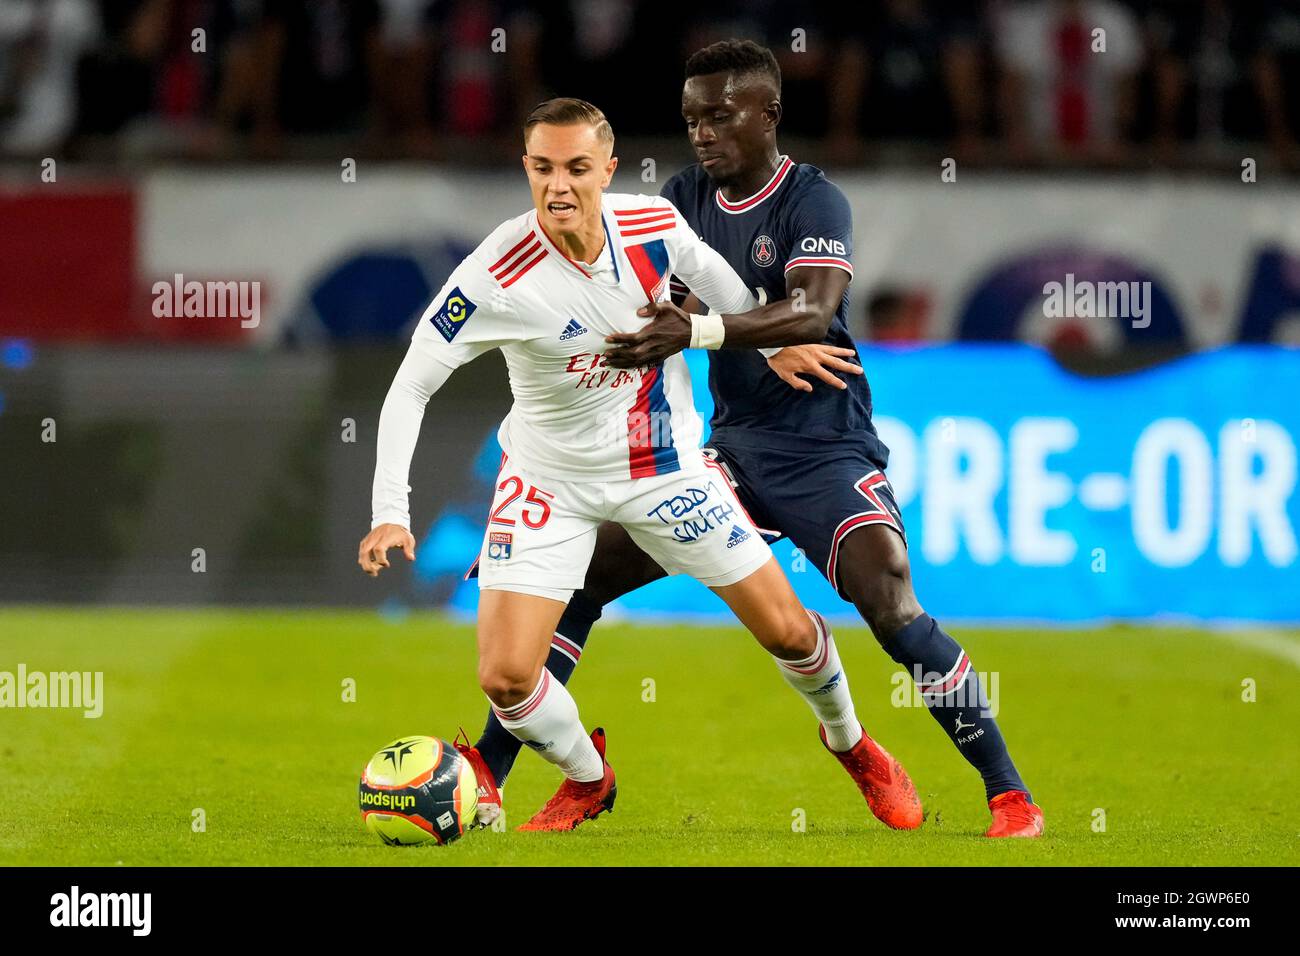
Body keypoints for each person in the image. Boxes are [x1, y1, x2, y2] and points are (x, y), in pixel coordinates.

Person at [463, 41, 1044, 838]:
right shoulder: (679, 200)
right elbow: (633, 316)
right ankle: (494, 781)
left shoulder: (814, 201)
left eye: (720, 115)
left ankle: (1007, 792)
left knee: (888, 599)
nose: (702, 133)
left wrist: (698, 329)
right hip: (726, 453)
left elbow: (809, 311)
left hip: (824, 445)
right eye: (691, 118)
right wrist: (541, 488)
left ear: (768, 113)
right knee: (579, 582)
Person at [359, 96, 921, 832]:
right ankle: (589, 780)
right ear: (526, 169)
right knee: (505, 677)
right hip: (546, 482)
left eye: (577, 169)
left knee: (788, 632)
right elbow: (411, 383)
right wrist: (390, 512)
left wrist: (775, 342)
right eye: (541, 168)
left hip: (664, 470)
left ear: (609, 170)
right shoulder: (495, 270)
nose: (558, 187)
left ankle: (851, 743)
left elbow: (725, 291)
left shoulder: (655, 226)